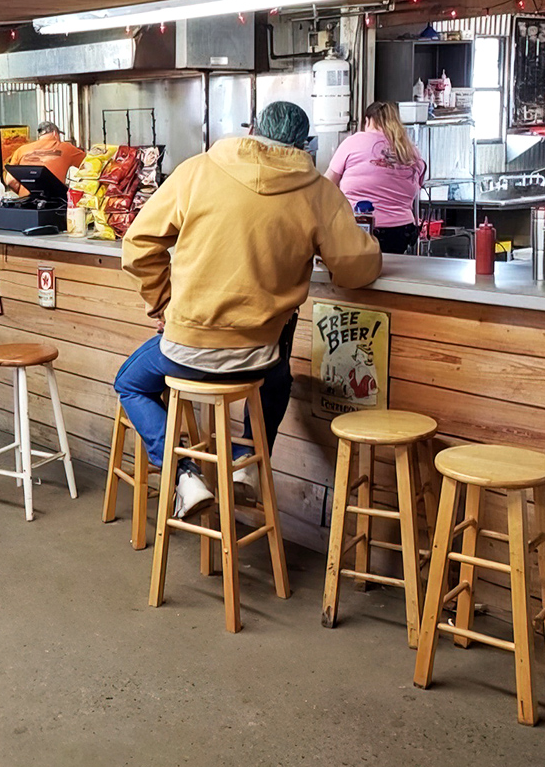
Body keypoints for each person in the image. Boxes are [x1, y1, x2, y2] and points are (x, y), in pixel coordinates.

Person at [115, 101, 382, 519]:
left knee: (130, 383)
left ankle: (185, 475)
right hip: (261, 356)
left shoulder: (196, 171)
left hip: (189, 349)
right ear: (302, 144)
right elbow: (355, 269)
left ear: (253, 127)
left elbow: (137, 246)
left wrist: (162, 301)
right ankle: (245, 465)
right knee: (278, 380)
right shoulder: (318, 192)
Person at [325, 100, 425, 254]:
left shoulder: (353, 142)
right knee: (390, 275)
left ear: (368, 120)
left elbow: (326, 184)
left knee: (360, 274)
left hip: (359, 228)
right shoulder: (410, 151)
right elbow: (415, 189)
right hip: (400, 231)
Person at [4, 121, 85, 197]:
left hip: (26, 203)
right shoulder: (66, 148)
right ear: (55, 134)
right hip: (54, 202)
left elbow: (10, 181)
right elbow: (90, 164)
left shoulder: (22, 150)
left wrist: (24, 194)